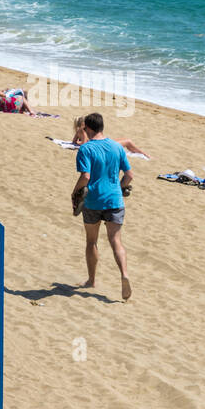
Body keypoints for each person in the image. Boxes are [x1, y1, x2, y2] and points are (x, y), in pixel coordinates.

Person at [71, 112, 132, 301]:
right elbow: (129, 175)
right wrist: (119, 188)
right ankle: (124, 274)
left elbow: (86, 177)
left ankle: (91, 280)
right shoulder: (117, 147)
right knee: (116, 241)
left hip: (93, 202)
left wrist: (75, 192)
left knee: (91, 241)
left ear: (87, 128)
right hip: (114, 200)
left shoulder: (86, 149)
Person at [71, 116, 148, 157]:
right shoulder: (84, 131)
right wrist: (81, 143)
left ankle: (142, 153)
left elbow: (74, 142)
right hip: (102, 146)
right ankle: (144, 154)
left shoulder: (78, 131)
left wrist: (78, 142)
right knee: (128, 141)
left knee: (125, 141)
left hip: (101, 144)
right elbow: (84, 144)